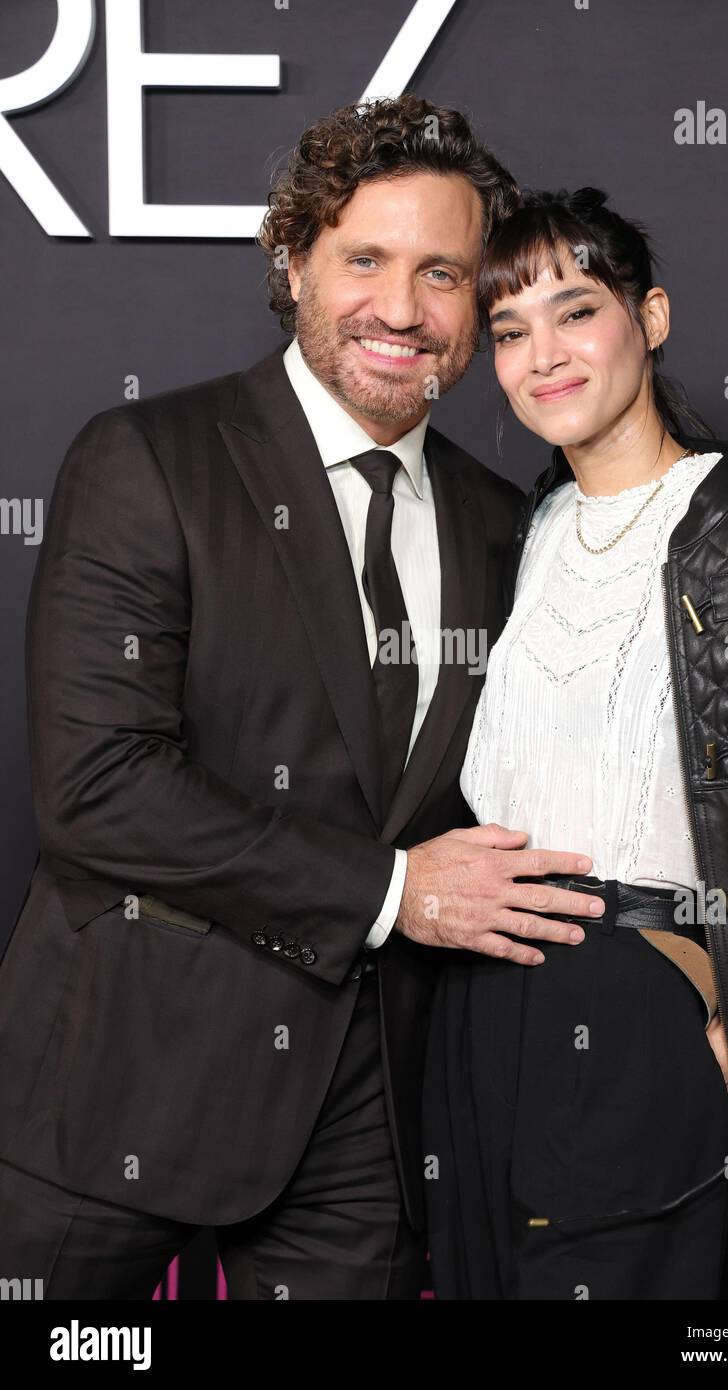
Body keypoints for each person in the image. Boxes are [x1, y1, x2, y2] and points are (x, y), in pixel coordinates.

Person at [0, 103, 606, 1301]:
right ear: (293, 265)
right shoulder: (148, 459)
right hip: (123, 1080)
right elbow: (97, 790)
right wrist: (394, 891)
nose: (399, 309)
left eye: (440, 273)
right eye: (364, 261)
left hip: (369, 1126)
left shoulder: (507, 522)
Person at [422, 186, 728, 1300]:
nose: (542, 356)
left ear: (650, 318)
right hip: (483, 999)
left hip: (652, 995)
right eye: (510, 330)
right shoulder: (519, 528)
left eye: (575, 311)